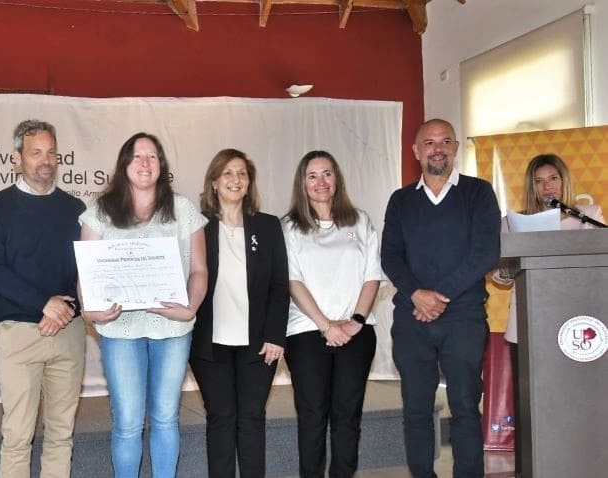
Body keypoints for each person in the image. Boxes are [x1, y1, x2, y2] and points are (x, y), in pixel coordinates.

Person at [80, 132, 208, 478]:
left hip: (172, 327)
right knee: (127, 422)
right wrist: (89, 307)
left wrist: (191, 307)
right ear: (124, 165)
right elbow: (86, 274)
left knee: (166, 417)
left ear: (161, 165)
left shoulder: (182, 209)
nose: (145, 163)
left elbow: (199, 270)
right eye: (137, 156)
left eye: (152, 156)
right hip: (119, 329)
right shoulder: (100, 212)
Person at [381, 119, 501, 478]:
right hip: (411, 318)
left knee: (465, 407)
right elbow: (390, 257)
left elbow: (485, 253)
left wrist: (441, 296)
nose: (438, 149)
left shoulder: (478, 193)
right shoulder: (401, 200)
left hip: (463, 317)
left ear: (455, 148)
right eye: (429, 143)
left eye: (445, 142)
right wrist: (418, 295)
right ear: (416, 151)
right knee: (415, 410)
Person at [0, 119, 86, 478]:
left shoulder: (75, 208)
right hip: (19, 333)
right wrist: (45, 303)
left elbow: (86, 271)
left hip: (68, 332)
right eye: (36, 152)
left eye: (52, 152)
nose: (46, 160)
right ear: (16, 158)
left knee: (61, 434)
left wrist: (68, 308)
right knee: (18, 436)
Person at [281, 151, 382, 478]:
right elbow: (292, 280)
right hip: (307, 333)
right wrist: (326, 326)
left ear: (336, 179)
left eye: (327, 174)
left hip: (357, 332)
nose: (320, 182)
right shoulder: (289, 227)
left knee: (347, 417)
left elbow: (372, 276)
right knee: (312, 417)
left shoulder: (360, 220)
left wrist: (355, 322)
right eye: (312, 176)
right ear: (302, 183)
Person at [188, 149, 289, 478]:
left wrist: (276, 335)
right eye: (228, 173)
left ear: (249, 183)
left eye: (242, 174)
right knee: (220, 418)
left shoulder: (269, 226)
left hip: (258, 344)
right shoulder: (196, 227)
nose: (236, 179)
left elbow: (279, 285)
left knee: (252, 417)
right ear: (214, 181)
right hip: (209, 344)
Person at [494, 153, 605, 343]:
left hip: (578, 315)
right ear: (532, 187)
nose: (547, 186)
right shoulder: (512, 223)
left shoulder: (588, 216)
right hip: (528, 314)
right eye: (539, 181)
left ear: (564, 181)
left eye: (553, 178)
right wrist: (511, 266)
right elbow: (498, 276)